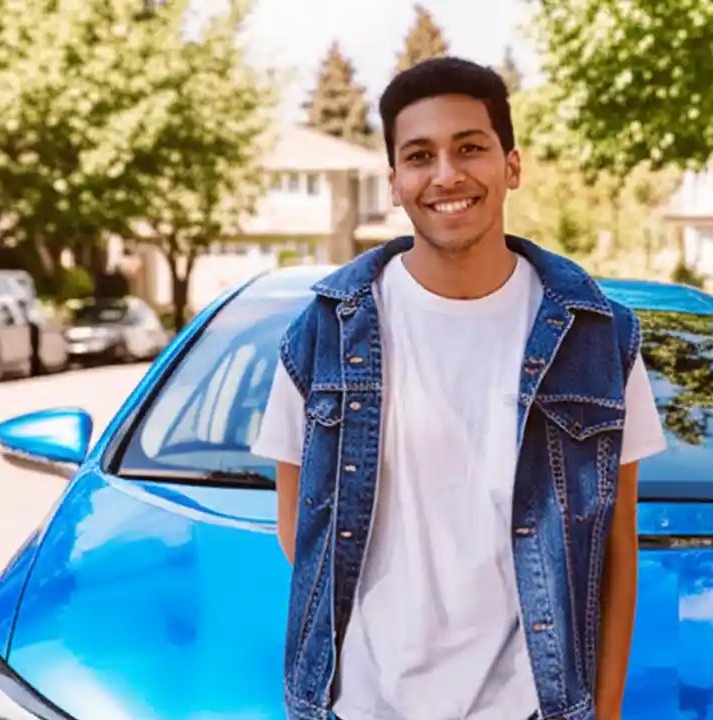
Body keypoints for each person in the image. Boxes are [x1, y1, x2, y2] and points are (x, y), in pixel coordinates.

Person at [251, 56, 667, 720]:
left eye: (469, 147)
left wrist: (605, 711)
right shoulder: (324, 333)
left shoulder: (597, 337)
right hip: (362, 706)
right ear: (394, 183)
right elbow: (299, 525)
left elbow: (616, 548)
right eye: (419, 156)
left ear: (512, 165)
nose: (446, 174)